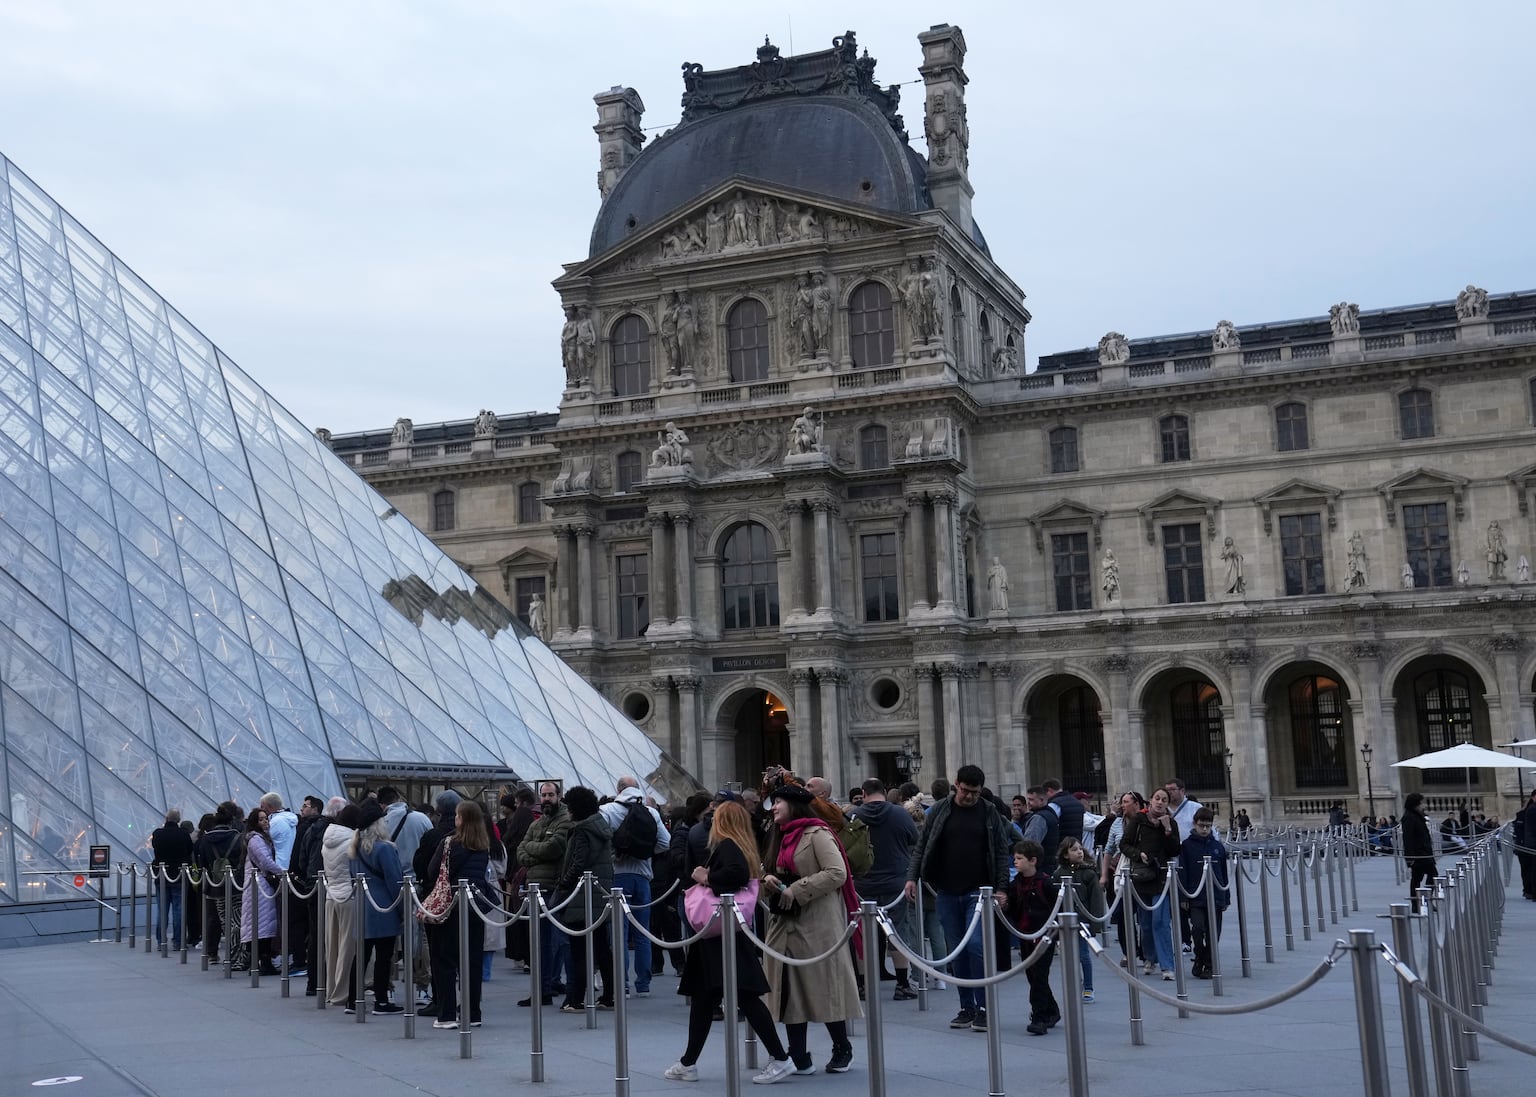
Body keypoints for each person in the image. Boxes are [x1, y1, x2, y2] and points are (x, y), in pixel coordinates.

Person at [665, 801, 795, 1085]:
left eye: (716, 817)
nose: (710, 822)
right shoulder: (741, 845)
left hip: (719, 933)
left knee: (743, 997)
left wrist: (705, 877)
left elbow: (733, 877)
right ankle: (688, 1062)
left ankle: (781, 1058)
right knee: (706, 998)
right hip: (721, 933)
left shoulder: (727, 846)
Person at [761, 781, 862, 1074]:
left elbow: (837, 872)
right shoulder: (778, 835)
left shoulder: (816, 834)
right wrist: (767, 879)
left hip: (817, 922)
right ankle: (798, 1054)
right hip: (785, 922)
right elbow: (766, 866)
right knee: (790, 989)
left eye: (778, 802)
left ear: (793, 805)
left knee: (824, 986)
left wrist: (798, 888)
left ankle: (842, 1046)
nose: (774, 807)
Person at [905, 764, 1012, 1032]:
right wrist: (911, 877)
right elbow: (922, 846)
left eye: (975, 793)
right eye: (966, 791)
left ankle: (984, 1006)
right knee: (957, 952)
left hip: (979, 890)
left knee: (976, 947)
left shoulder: (988, 811)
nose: (970, 797)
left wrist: (1002, 887)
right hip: (947, 890)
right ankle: (967, 1007)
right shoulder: (940, 810)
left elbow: (1001, 850)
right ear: (956, 785)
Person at [599, 775, 669, 999]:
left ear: (619, 790)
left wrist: (615, 854)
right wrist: (645, 854)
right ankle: (644, 983)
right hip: (643, 877)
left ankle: (622, 983)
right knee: (642, 931)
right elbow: (665, 843)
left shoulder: (609, 810)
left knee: (619, 933)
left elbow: (601, 840)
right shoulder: (651, 812)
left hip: (618, 876)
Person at [425, 799, 493, 1028]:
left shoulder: (449, 843)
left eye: (457, 815)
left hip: (451, 906)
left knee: (443, 959)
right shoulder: (483, 845)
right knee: (472, 960)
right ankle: (472, 1012)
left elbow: (433, 871)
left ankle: (446, 1014)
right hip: (475, 906)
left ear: (461, 819)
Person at [850, 778, 920, 1001]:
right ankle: (902, 983)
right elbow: (914, 839)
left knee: (862, 934)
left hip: (862, 883)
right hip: (895, 882)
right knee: (897, 933)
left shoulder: (854, 816)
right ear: (885, 791)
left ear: (864, 792)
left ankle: (862, 985)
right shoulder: (900, 814)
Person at [553, 786, 616, 1013]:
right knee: (602, 948)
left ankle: (576, 998)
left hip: (582, 897)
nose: (567, 811)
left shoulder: (582, 830)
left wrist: (564, 884)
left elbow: (578, 862)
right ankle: (609, 996)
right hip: (599, 895)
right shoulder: (600, 826)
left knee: (578, 949)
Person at [347, 798, 405, 1014]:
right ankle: (381, 1000)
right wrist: (402, 910)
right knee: (383, 956)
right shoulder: (385, 849)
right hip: (383, 908)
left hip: (363, 906)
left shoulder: (354, 849)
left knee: (360, 955)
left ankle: (352, 1000)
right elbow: (394, 881)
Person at [517, 781, 572, 1006]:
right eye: (543, 795)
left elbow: (554, 848)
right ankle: (542, 990)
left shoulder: (565, 820)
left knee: (557, 941)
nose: (546, 798)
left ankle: (556, 986)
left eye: (550, 794)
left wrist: (533, 851)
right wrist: (536, 853)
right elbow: (521, 850)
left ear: (559, 796)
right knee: (538, 943)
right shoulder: (537, 823)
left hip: (553, 888)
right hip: (534, 888)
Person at [1119, 788, 1181, 980]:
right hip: (1142, 876)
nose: (1160, 802)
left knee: (1160, 921)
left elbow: (1175, 850)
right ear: (1150, 801)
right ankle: (1150, 957)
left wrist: (1168, 830)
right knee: (1145, 923)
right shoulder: (1139, 820)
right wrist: (1139, 855)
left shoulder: (1171, 823)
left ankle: (1167, 966)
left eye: (1164, 800)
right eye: (1157, 798)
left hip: (1161, 877)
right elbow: (1124, 844)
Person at [1006, 840, 1060, 1035]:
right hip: (1026, 935)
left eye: (1020, 859)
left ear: (1033, 860)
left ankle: (1039, 1016)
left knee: (1039, 975)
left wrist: (1057, 931)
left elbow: (1058, 906)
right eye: (1015, 858)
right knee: (1032, 975)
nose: (1016, 862)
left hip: (1045, 935)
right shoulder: (1015, 884)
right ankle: (1051, 1009)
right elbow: (1012, 908)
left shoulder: (1045, 882)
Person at [1177, 807, 1229, 979]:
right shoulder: (1187, 846)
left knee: (1214, 934)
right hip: (1195, 896)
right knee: (1198, 929)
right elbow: (1183, 872)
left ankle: (1208, 963)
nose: (1205, 829)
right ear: (1195, 824)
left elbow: (1223, 873)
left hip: (1216, 896)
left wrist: (1225, 897)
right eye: (1201, 826)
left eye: (1208, 826)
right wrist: (1184, 897)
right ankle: (1200, 956)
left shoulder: (1217, 847)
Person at [321, 803, 362, 1005]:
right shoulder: (352, 839)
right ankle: (342, 991)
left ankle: (331, 990)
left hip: (331, 895)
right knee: (348, 945)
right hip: (349, 895)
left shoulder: (327, 837)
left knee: (332, 946)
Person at [1056, 836, 1104, 1003]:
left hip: (1083, 921)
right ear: (1066, 854)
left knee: (1083, 955)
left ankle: (1089, 987)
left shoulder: (1089, 873)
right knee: (1069, 956)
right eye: (1074, 849)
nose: (1079, 852)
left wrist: (1095, 924)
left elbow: (1096, 900)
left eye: (1080, 848)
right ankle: (1075, 983)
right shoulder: (1059, 873)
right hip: (1065, 921)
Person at [239, 807, 283, 976]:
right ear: (254, 822)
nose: (265, 822)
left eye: (266, 818)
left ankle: (261, 961)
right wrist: (281, 871)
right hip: (259, 885)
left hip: (258, 884)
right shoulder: (256, 839)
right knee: (261, 923)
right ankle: (262, 961)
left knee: (261, 922)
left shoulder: (257, 838)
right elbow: (265, 861)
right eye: (261, 819)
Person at [151, 808, 194, 951]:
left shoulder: (157, 834)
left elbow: (155, 849)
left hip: (162, 876)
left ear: (166, 819)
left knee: (162, 910)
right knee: (179, 909)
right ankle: (178, 941)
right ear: (179, 820)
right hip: (179, 876)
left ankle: (160, 941)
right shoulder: (183, 834)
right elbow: (189, 851)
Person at [1402, 793, 1437, 910]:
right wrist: (1410, 857)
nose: (1424, 805)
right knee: (1432, 875)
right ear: (1415, 804)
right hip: (1419, 854)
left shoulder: (1417, 815)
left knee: (1417, 879)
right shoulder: (1408, 817)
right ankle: (1423, 901)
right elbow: (1408, 838)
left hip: (1424, 852)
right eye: (1422, 803)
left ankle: (1419, 903)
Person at [1020, 787, 1060, 875]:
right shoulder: (1051, 814)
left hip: (1040, 867)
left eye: (1031, 799)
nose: (1028, 803)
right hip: (1049, 865)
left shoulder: (1039, 818)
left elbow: (1029, 845)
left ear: (1041, 800)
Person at [1043, 778, 1086, 843]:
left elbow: (1048, 824)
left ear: (1050, 790)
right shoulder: (1077, 802)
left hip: (1061, 844)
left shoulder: (1054, 804)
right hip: (1076, 843)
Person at [1513, 789, 1536, 901]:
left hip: (1526, 844)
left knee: (1528, 869)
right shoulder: (1529, 812)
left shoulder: (1527, 812)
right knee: (1529, 869)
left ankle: (1528, 890)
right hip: (1525, 845)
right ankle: (1529, 890)